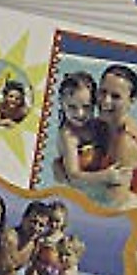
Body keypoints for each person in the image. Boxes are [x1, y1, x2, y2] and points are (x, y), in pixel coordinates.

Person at [51, 71, 131, 200]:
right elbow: (73, 176)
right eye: (72, 107)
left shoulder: (96, 125)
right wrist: (105, 176)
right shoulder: (68, 136)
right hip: (79, 190)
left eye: (86, 106)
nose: (80, 113)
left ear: (95, 103)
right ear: (61, 104)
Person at [94, 64, 137, 210]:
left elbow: (112, 202)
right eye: (102, 92)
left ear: (132, 100)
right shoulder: (103, 124)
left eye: (116, 96)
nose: (105, 101)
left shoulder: (126, 143)